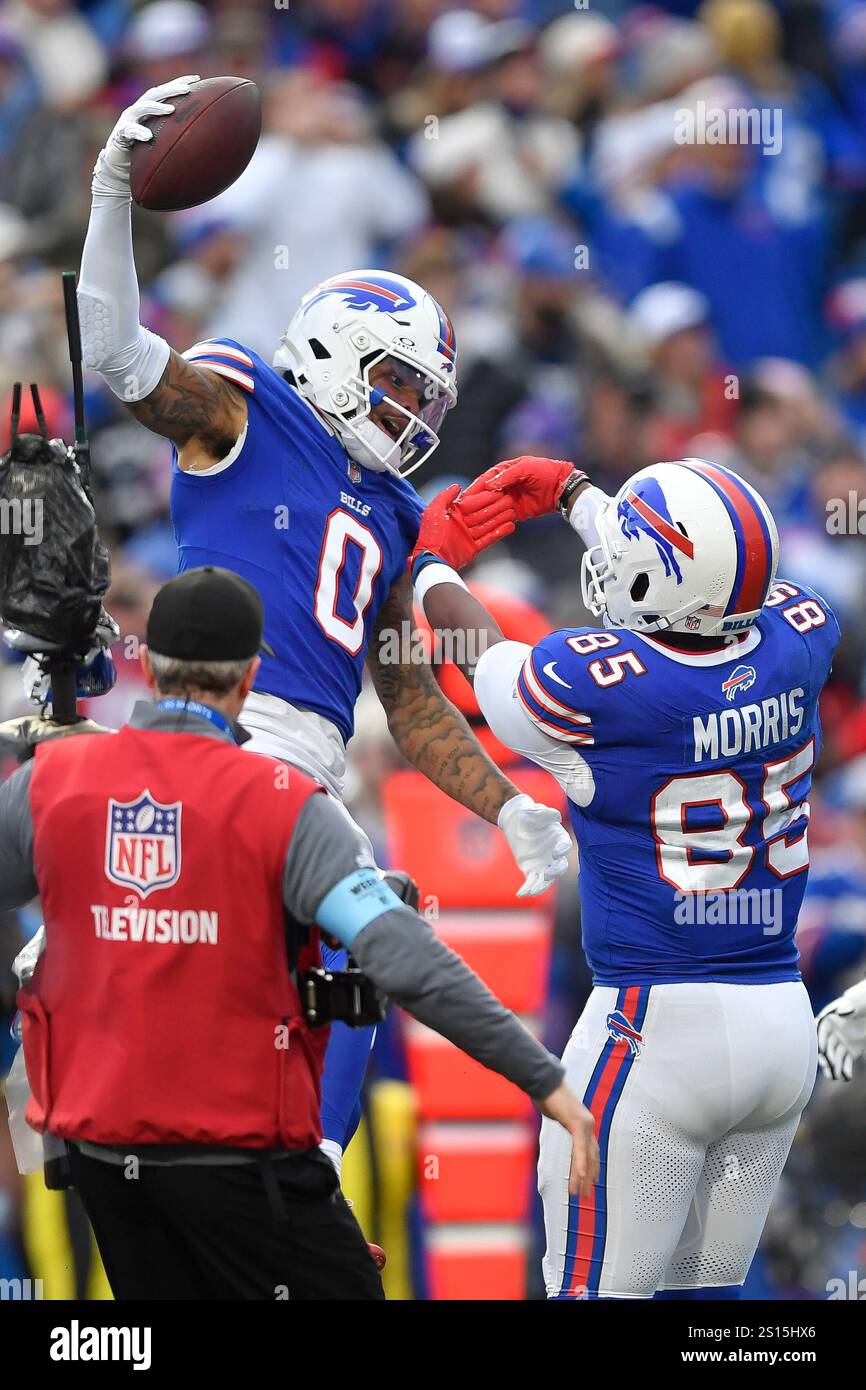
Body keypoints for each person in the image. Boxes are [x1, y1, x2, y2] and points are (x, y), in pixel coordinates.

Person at [76, 75, 572, 1183]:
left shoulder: (395, 512)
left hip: (309, 770)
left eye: (426, 401)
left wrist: (507, 804)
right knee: (360, 932)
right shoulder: (253, 405)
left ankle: (301, 1176)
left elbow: (403, 695)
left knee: (350, 969)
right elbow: (117, 352)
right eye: (398, 384)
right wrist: (114, 193)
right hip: (213, 736)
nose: (412, 416)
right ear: (339, 352)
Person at [0, 565, 597, 1302]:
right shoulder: (287, 806)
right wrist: (543, 1079)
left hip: (105, 1166)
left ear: (148, 666)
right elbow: (404, 958)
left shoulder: (53, 779)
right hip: (248, 1169)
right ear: (252, 676)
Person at [408, 452, 838, 1299]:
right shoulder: (801, 629)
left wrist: (427, 564)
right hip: (781, 1025)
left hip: (655, 1025)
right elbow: (696, 584)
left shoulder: (600, 686)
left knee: (591, 1294)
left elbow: (482, 654)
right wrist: (575, 495)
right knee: (708, 1305)